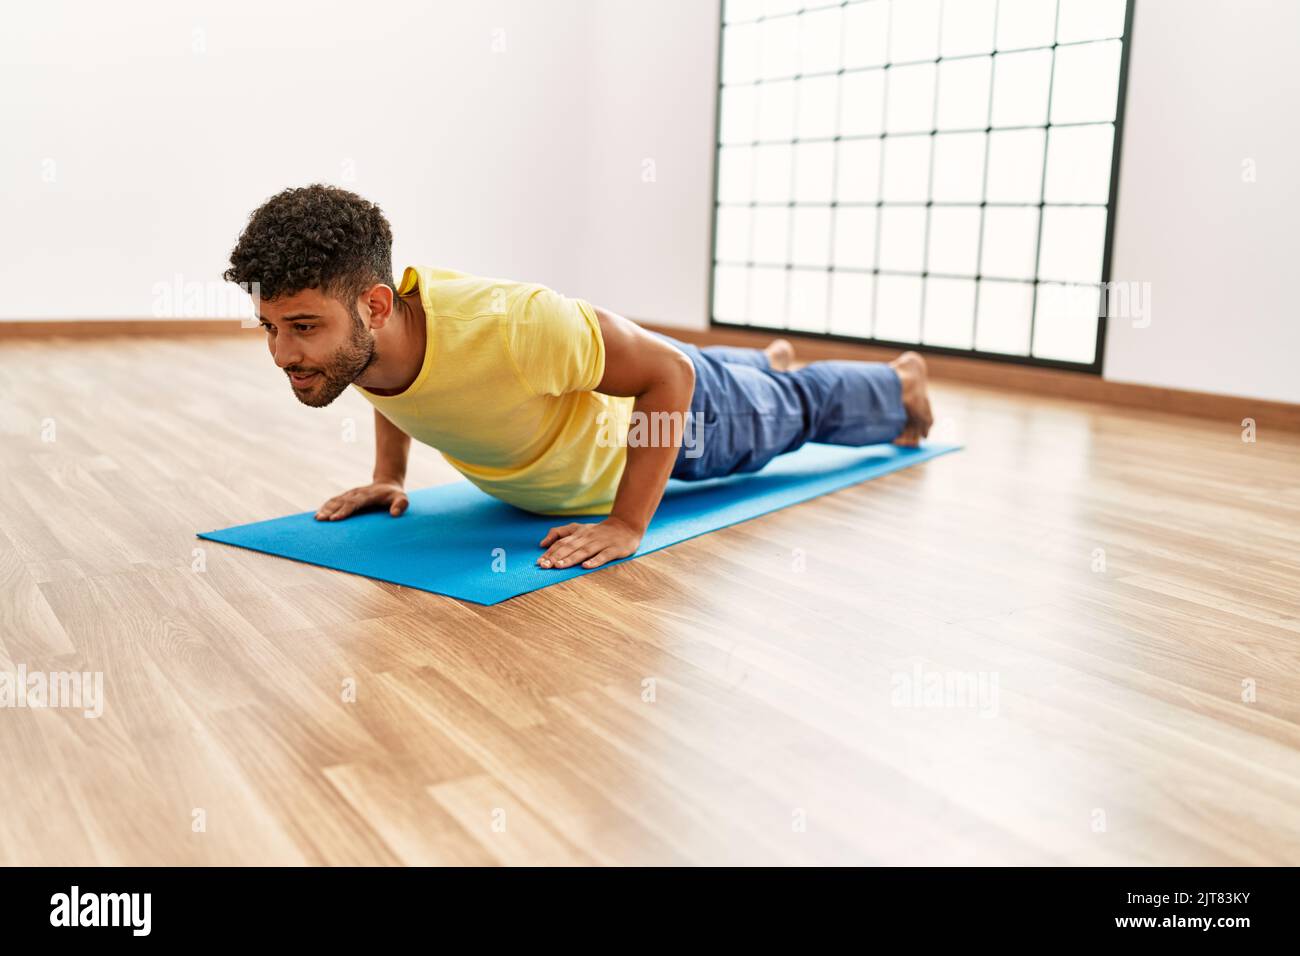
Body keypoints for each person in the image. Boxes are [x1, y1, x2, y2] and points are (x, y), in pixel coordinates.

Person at [223, 185, 934, 571]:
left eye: (303, 327)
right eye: (270, 327)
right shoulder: (372, 340)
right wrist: (391, 473)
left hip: (673, 427)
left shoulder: (516, 324)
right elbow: (393, 383)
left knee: (791, 409)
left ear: (375, 306)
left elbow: (670, 377)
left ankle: (899, 383)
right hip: (603, 382)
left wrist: (628, 524)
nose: (283, 355)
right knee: (694, 364)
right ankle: (762, 362)